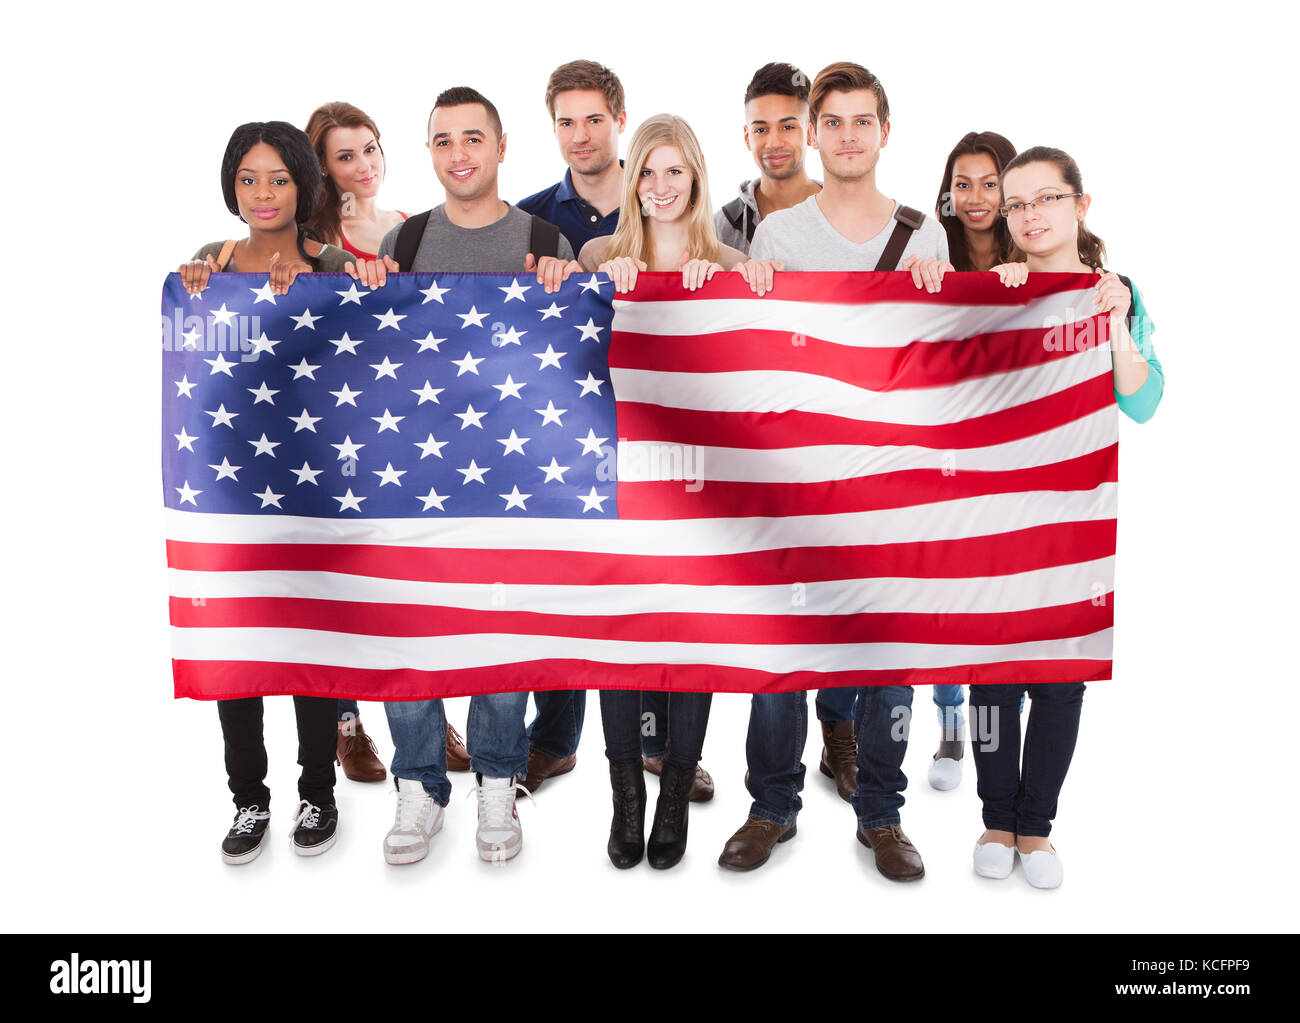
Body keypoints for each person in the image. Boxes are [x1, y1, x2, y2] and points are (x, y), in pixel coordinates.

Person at [721, 63, 949, 879]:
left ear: (885, 132)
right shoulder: (779, 236)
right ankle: (771, 804)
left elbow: (939, 366)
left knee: (889, 657)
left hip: (890, 479)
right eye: (834, 121)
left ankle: (882, 814)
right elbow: (764, 358)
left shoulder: (926, 233)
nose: (848, 135)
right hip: (801, 477)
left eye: (863, 121)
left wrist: (940, 291)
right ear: (813, 136)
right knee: (782, 647)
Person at [344, 87, 578, 865]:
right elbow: (371, 356)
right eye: (443, 141)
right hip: (416, 469)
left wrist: (562, 281)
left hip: (512, 478)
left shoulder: (545, 236)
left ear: (504, 146)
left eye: (473, 138)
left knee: (498, 622)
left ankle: (497, 777)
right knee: (410, 619)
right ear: (431, 154)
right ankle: (419, 784)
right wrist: (368, 295)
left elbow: (579, 362)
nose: (459, 154)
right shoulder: (406, 242)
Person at [970, 145, 1163, 888]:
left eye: (1045, 199)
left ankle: (1036, 828)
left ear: (1080, 206)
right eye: (1016, 204)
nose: (1029, 216)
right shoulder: (989, 290)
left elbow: (1142, 402)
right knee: (989, 672)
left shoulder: (1117, 290)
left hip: (1071, 515)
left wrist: (1115, 320)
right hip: (989, 515)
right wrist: (998, 302)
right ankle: (995, 816)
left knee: (1058, 674)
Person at [574, 113, 743, 868]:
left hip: (702, 480)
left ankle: (675, 792)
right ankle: (626, 797)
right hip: (621, 475)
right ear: (632, 179)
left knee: (692, 636)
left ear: (696, 178)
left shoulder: (732, 259)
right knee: (623, 636)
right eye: (648, 171)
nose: (661, 186)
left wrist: (739, 285)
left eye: (676, 171)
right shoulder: (597, 253)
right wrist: (590, 285)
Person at [177, 120, 348, 862]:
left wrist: (311, 292)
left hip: (313, 483)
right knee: (237, 642)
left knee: (307, 642)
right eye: (248, 178)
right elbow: (191, 359)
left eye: (279, 177)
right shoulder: (209, 264)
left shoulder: (331, 259)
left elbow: (369, 352)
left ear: (304, 183)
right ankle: (249, 799)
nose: (264, 193)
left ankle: (319, 791)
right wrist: (198, 290)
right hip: (229, 485)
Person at [304, 100, 471, 782]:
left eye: (371, 149)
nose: (364, 165)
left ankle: (430, 715)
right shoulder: (307, 241)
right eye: (346, 156)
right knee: (341, 581)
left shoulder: (407, 228)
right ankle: (347, 724)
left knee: (411, 578)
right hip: (335, 427)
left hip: (405, 424)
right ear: (322, 169)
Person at [926, 130, 1024, 791]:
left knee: (1001, 592)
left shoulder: (1037, 254)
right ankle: (951, 724)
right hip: (939, 447)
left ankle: (1000, 732)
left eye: (991, 183)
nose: (976, 197)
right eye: (963, 184)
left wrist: (1029, 285)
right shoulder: (931, 251)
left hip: (1013, 451)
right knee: (938, 588)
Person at [714, 61, 822, 255]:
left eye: (788, 127)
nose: (773, 143)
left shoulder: (843, 214)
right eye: (761, 129)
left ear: (810, 132)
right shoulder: (719, 229)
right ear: (748, 138)